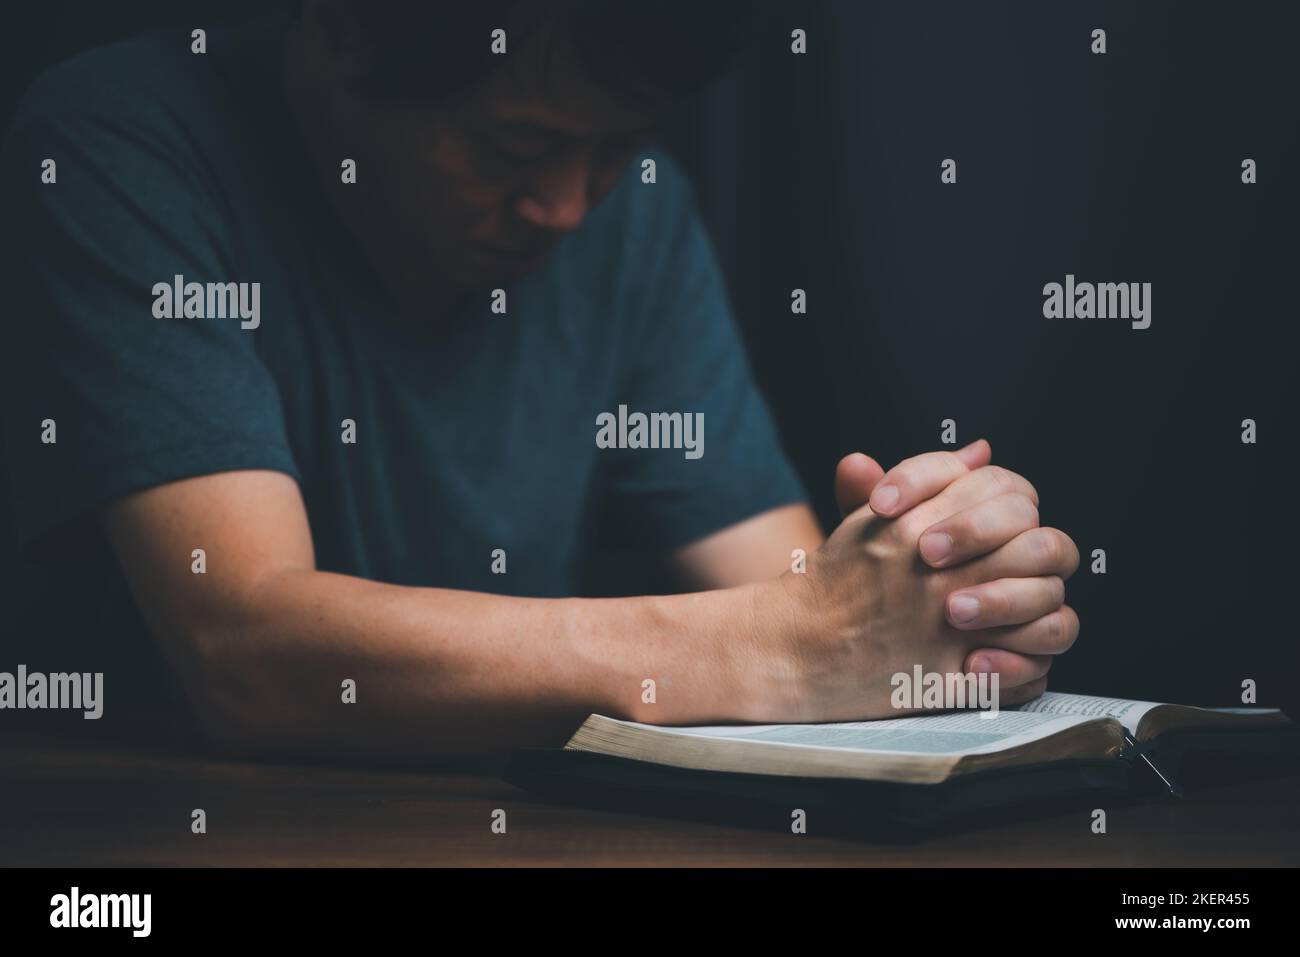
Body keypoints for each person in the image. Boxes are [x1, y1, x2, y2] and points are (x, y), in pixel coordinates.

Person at [0, 1, 1078, 762]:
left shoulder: (635, 212)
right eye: (510, 145)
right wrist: (782, 643)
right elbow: (248, 652)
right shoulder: (121, 144)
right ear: (335, 32)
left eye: (613, 148)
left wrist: (942, 593)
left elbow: (798, 593)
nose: (566, 207)